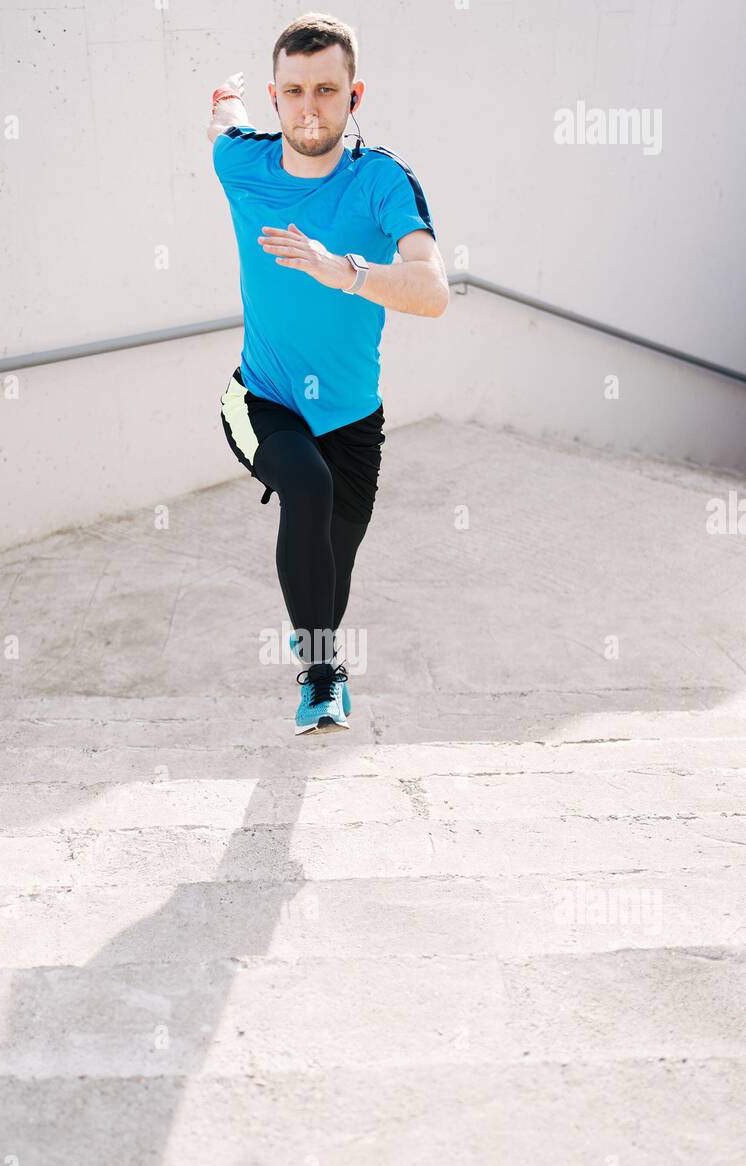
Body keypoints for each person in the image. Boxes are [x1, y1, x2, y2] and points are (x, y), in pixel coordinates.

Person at [209, 12, 448, 734]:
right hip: (262, 401)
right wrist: (226, 100)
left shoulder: (381, 181)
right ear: (277, 97)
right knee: (304, 491)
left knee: (332, 574)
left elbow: (432, 291)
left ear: (355, 95)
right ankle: (321, 674)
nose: (308, 108)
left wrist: (343, 271)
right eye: (292, 92)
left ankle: (315, 631)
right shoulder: (239, 162)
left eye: (326, 90)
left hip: (353, 417)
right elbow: (225, 127)